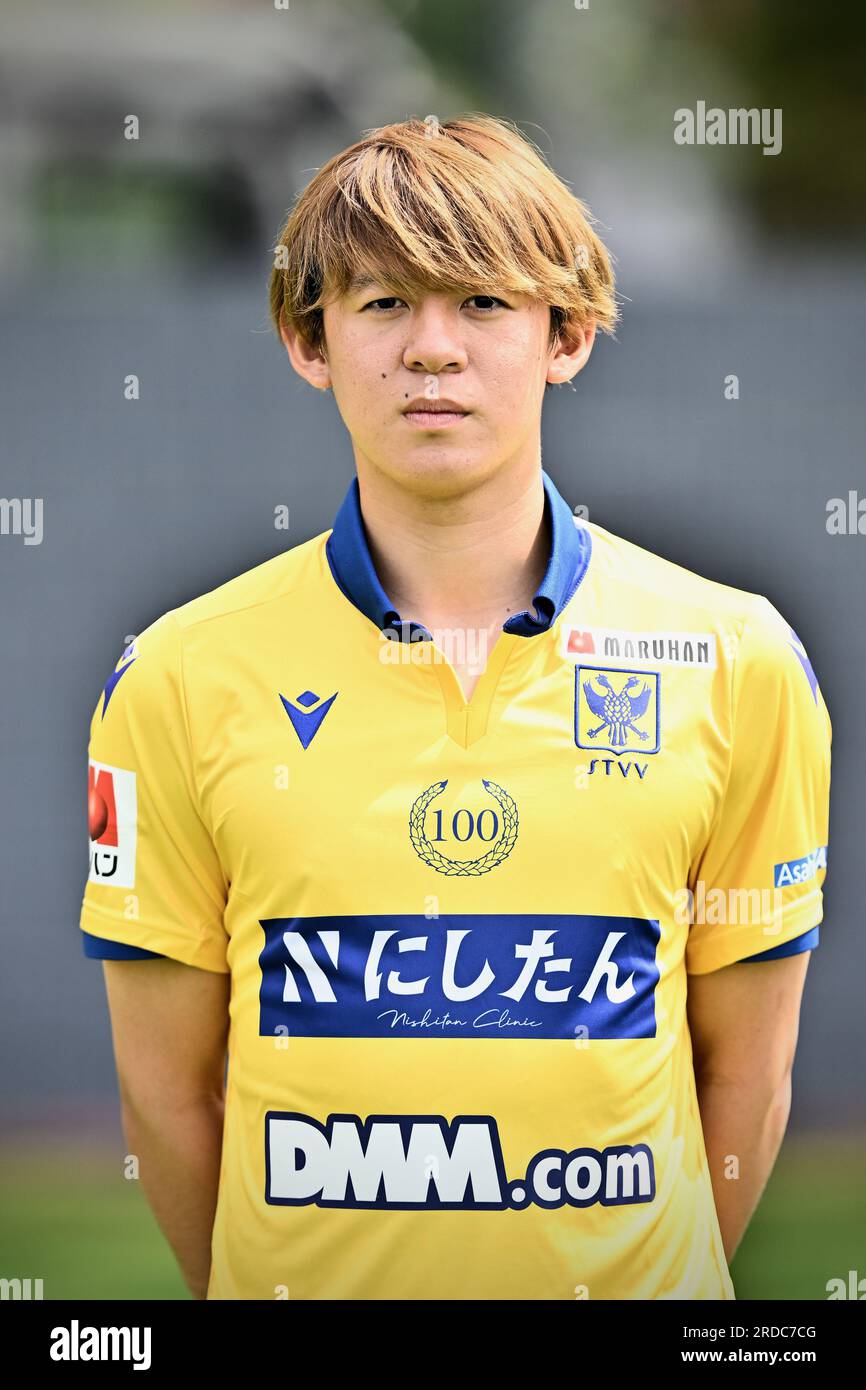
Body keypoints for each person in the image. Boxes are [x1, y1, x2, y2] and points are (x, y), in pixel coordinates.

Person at [79, 113, 831, 1300]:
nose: (432, 348)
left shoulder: (736, 656)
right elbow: (170, 1095)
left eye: (481, 303)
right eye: (381, 304)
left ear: (566, 334)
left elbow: (745, 1071)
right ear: (306, 339)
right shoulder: (178, 673)